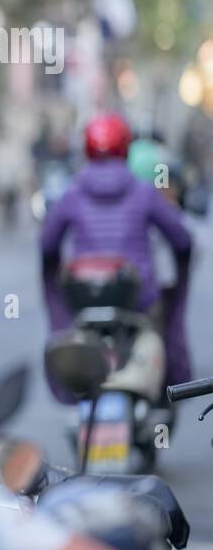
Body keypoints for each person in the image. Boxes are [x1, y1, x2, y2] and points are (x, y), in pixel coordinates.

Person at [40, 112, 193, 399]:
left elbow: (47, 245)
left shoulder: (71, 194)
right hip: (138, 299)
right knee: (161, 323)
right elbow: (181, 239)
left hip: (83, 299)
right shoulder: (144, 192)